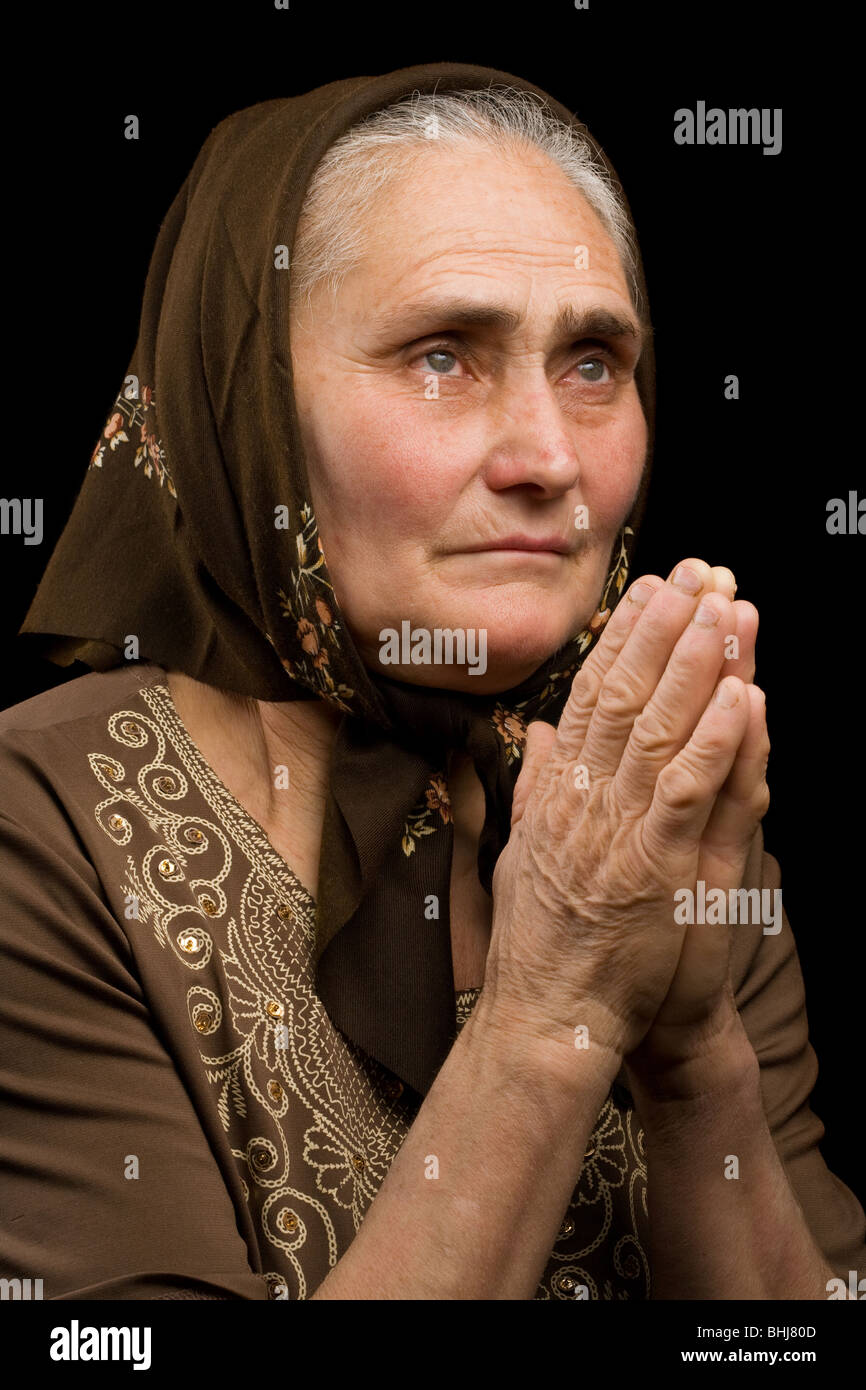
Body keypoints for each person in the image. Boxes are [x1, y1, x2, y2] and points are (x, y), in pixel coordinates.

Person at [2, 61, 863, 1302]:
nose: (548, 459)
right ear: (245, 407)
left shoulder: (651, 813)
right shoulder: (43, 824)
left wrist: (692, 1054)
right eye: (442, 357)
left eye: (591, 362)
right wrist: (550, 1009)